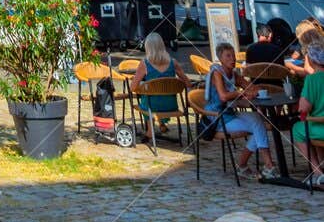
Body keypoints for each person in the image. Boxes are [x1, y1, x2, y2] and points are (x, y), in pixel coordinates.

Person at [204, 42, 277, 179]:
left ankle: (250, 165)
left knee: (258, 120)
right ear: (220, 59)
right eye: (228, 56)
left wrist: (253, 90)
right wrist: (243, 93)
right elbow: (223, 96)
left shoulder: (234, 74)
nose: (232, 59)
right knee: (258, 124)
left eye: (233, 56)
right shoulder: (217, 74)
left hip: (230, 113)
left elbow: (251, 87)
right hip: (217, 117)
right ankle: (264, 166)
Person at [131, 32, 188, 130]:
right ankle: (162, 123)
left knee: (146, 97)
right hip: (171, 105)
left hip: (151, 106)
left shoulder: (145, 64)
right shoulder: (173, 62)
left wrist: (143, 85)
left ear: (147, 47)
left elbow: (132, 87)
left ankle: (150, 130)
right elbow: (187, 83)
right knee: (160, 94)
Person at [293, 41, 324, 189]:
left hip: (320, 128)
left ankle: (317, 172)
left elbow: (303, 109)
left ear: (311, 60)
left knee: (298, 128)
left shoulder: (312, 79)